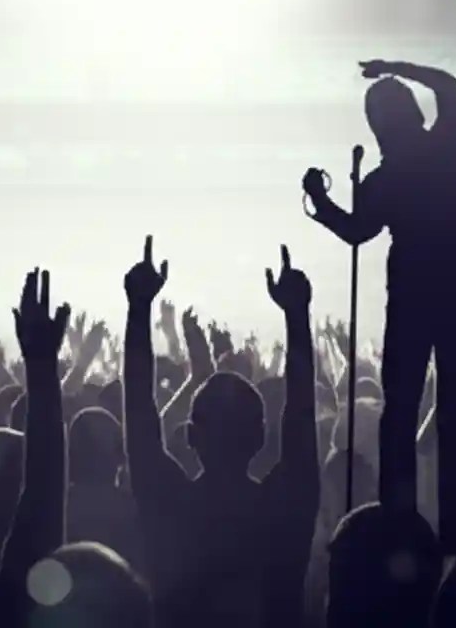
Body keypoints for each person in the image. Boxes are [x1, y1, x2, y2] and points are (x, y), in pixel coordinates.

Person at [304, 60, 456, 548]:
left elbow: (356, 231)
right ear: (412, 109)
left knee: (400, 405)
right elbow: (449, 83)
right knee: (455, 399)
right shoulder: (446, 144)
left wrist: (318, 202)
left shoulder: (382, 181)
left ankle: (398, 511)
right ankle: (454, 513)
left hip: (410, 291)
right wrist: (395, 67)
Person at [121, 237, 319, 628]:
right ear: (261, 438)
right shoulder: (283, 508)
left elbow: (140, 415)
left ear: (191, 437)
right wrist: (297, 316)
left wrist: (139, 309)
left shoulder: (171, 507)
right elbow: (300, 416)